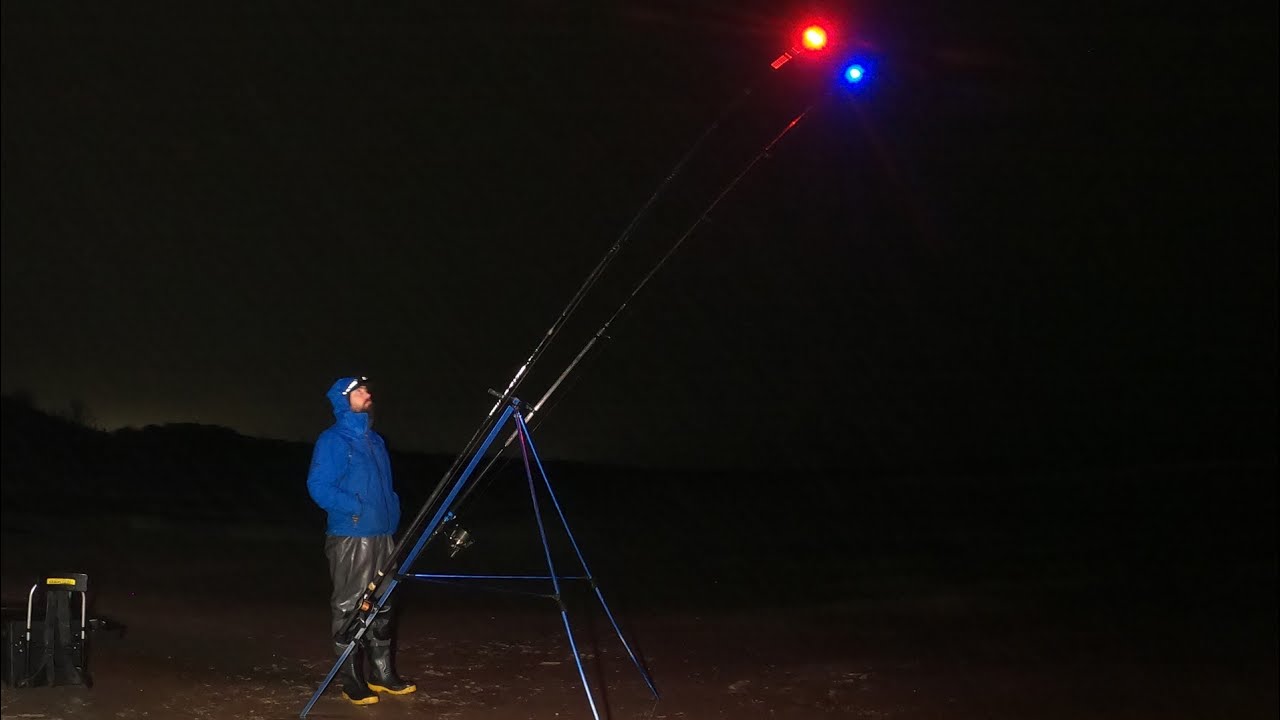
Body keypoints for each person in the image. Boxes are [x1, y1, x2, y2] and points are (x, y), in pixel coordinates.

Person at [306, 376, 417, 705]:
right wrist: (354, 508)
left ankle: (382, 675)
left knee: (382, 605)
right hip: (351, 536)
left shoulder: (376, 440)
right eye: (359, 391)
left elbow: (384, 487)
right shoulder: (333, 440)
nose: (368, 394)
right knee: (350, 608)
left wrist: (392, 512)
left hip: (383, 535)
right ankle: (351, 679)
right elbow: (319, 486)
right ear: (343, 400)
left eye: (367, 389)